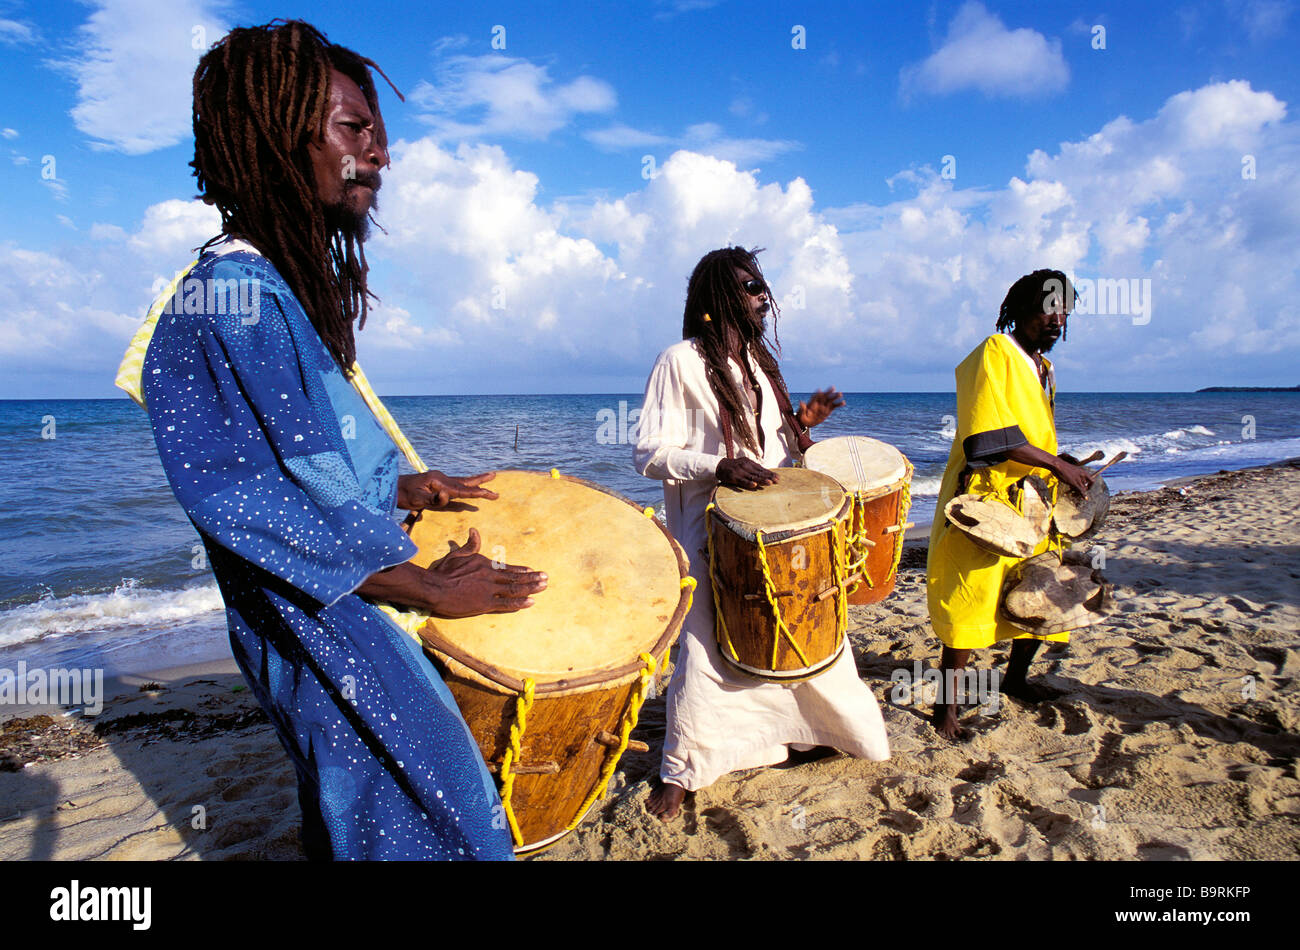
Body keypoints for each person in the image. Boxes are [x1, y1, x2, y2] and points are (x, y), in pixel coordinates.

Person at [120, 21, 547, 859]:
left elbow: (306, 458)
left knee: (378, 815)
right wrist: (420, 586)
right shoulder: (229, 297)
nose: (379, 154)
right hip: (322, 619)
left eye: (378, 134)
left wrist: (402, 488)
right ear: (282, 137)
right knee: (427, 820)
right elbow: (241, 499)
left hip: (343, 607)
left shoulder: (274, 290)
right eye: (355, 129)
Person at [634, 246, 890, 820]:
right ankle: (683, 770)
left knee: (802, 629)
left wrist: (802, 425)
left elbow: (772, 453)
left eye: (763, 287)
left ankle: (810, 733)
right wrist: (716, 465)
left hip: (774, 533)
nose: (762, 297)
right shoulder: (678, 361)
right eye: (750, 287)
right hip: (709, 533)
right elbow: (649, 454)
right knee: (703, 648)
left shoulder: (758, 366)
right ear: (720, 296)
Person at [926, 269, 1095, 740]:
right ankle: (945, 711)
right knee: (971, 598)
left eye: (1064, 311)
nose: (1057, 320)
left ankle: (1016, 680)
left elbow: (1030, 435)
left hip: (1033, 499)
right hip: (986, 498)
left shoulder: (1043, 367)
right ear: (1020, 308)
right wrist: (1059, 467)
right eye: (1048, 308)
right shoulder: (995, 352)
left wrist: (1060, 462)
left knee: (1037, 590)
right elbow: (990, 436)